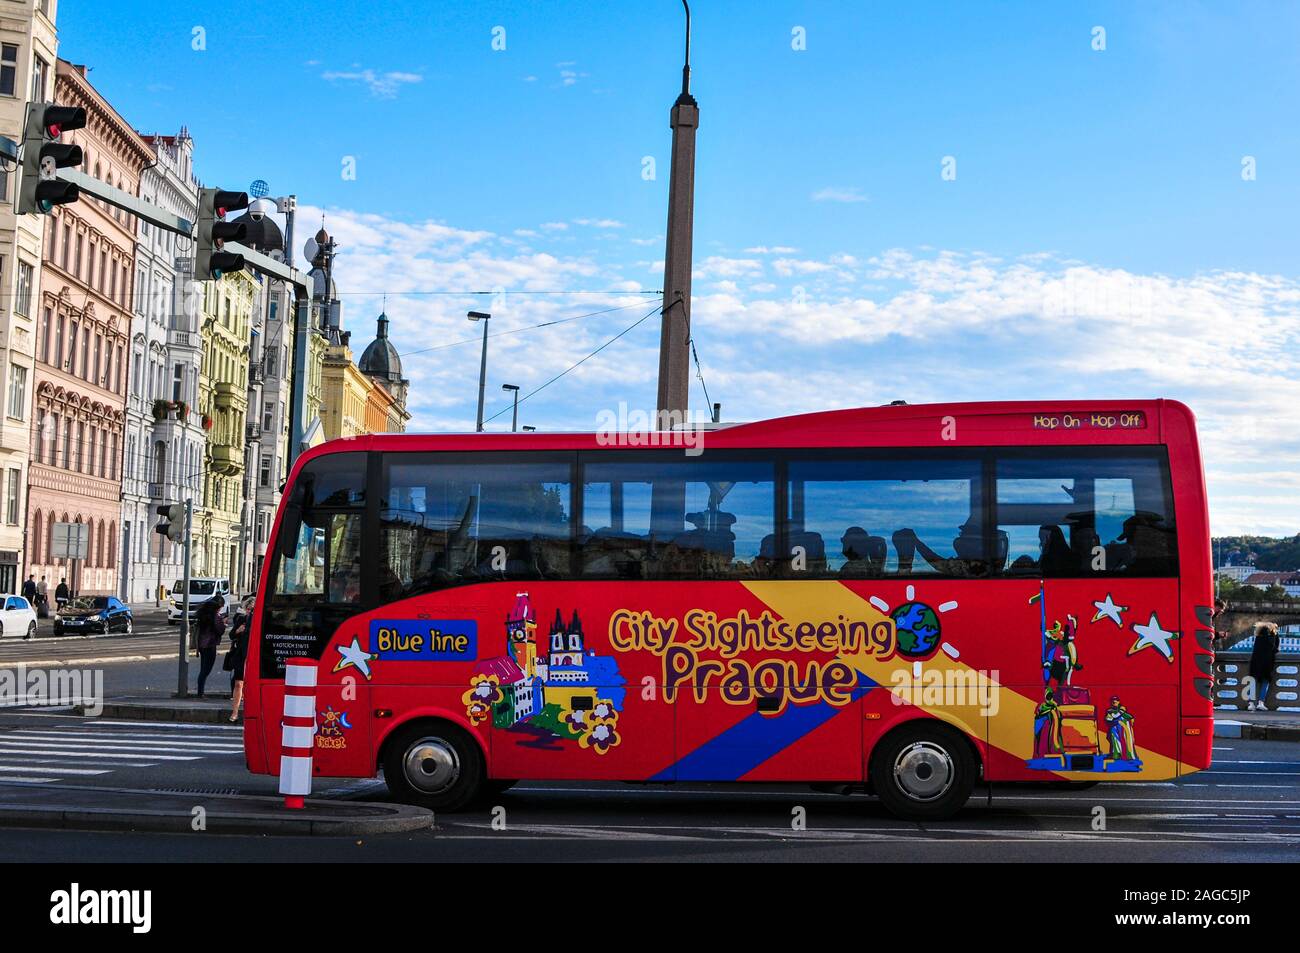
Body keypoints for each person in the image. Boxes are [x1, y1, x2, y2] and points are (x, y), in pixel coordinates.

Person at [194, 596, 227, 698]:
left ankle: (200, 691)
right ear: (217, 607)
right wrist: (223, 623)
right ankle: (200, 693)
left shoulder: (204, 614)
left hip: (202, 644)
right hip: (210, 644)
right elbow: (220, 630)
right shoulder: (215, 617)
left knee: (203, 669)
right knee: (206, 669)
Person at [224, 601, 251, 722]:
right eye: (248, 609)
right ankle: (235, 712)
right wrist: (238, 631)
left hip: (252, 656)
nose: (250, 611)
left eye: (252, 609)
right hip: (240, 655)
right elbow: (231, 635)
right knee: (238, 683)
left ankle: (250, 712)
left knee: (250, 686)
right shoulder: (241, 620)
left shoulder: (259, 621)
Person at [1248, 621, 1280, 711]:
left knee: (1253, 682)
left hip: (1255, 661)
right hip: (1267, 662)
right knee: (1265, 682)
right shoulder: (1273, 636)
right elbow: (1276, 648)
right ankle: (1260, 703)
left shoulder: (1258, 636)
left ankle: (1250, 703)